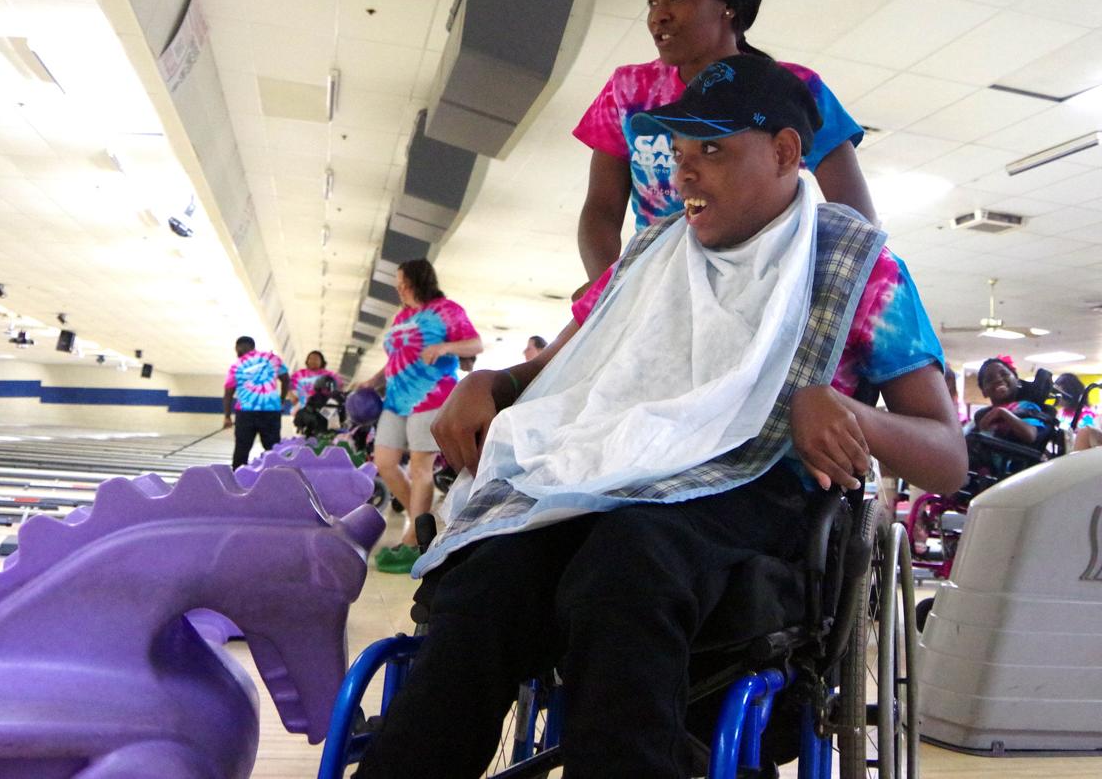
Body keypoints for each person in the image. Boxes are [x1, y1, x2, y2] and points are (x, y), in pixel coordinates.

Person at [353, 56, 964, 778]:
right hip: (618, 471)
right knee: (491, 576)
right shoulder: (653, 252)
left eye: (712, 149)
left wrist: (843, 410)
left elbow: (946, 457)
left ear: (786, 152)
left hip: (753, 482)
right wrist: (491, 380)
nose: (685, 175)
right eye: (679, 154)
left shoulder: (857, 266)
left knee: (626, 565)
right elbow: (573, 361)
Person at [575, 0, 875, 285]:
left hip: (758, 281)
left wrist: (828, 293)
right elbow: (601, 209)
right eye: (652, 2)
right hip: (659, 281)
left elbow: (855, 217)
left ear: (728, 5)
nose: (659, 15)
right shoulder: (627, 91)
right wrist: (608, 291)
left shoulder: (788, 87)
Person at [357, 259, 483, 573]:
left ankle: (414, 540)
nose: (399, 287)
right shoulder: (401, 316)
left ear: (419, 280)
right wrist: (375, 380)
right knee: (384, 462)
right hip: (395, 400)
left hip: (431, 396)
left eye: (404, 282)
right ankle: (420, 522)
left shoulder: (447, 310)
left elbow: (476, 343)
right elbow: (397, 357)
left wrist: (444, 347)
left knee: (420, 468)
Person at [222, 336, 289, 469]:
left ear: (238, 347)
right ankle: (277, 480)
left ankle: (238, 482)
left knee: (242, 449)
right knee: (272, 449)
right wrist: (280, 400)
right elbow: (286, 380)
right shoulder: (272, 358)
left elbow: (228, 393)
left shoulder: (236, 365)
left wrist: (227, 417)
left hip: (246, 412)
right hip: (271, 410)